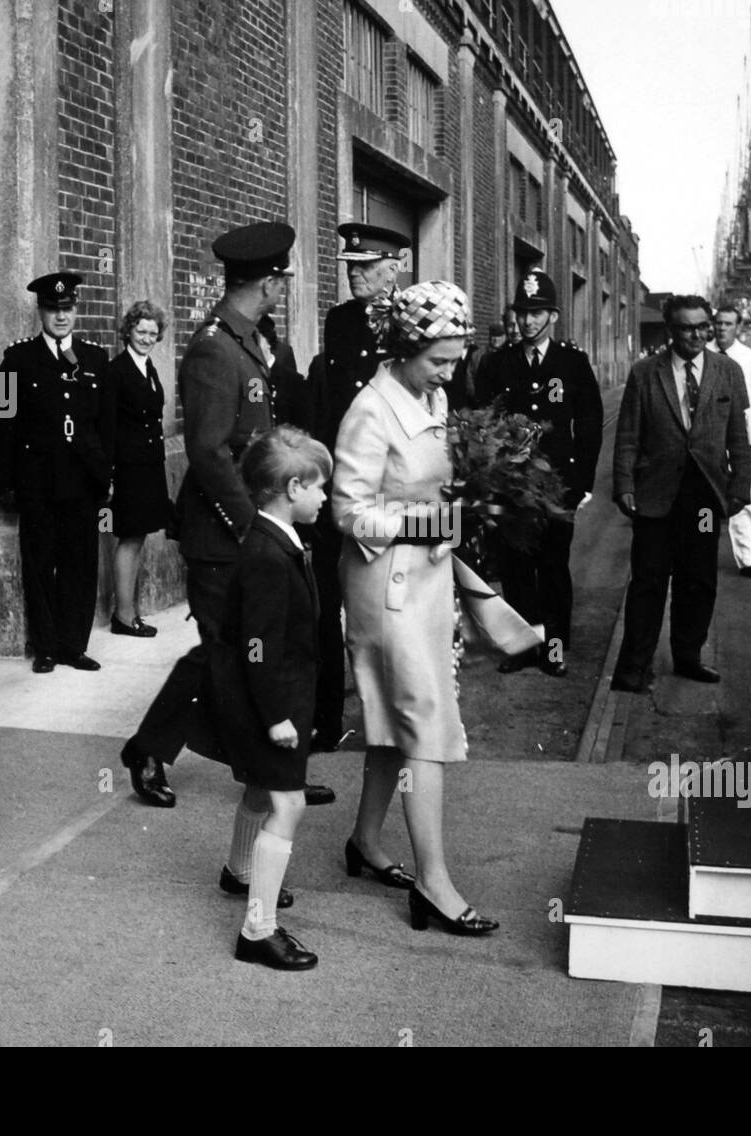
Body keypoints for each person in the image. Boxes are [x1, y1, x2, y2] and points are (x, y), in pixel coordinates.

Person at [119, 222, 334, 811]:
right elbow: (209, 450)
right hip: (223, 532)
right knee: (221, 651)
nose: (282, 291)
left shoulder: (258, 340)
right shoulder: (215, 346)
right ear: (266, 284)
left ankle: (273, 768)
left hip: (253, 522)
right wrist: (252, 524)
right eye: (280, 282)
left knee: (246, 649)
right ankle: (151, 749)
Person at [333, 279, 499, 937]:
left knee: (397, 725)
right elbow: (347, 512)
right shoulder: (370, 411)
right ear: (404, 348)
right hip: (387, 592)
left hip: (426, 584)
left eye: (456, 358)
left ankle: (365, 844)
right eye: (440, 358)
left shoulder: (430, 392)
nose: (451, 371)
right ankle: (433, 884)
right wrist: (427, 523)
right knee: (422, 726)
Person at [211, 425, 330, 971]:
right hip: (269, 701)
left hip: (263, 699)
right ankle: (258, 930)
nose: (325, 498)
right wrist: (277, 716)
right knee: (288, 803)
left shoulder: (275, 538)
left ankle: (239, 872)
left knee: (261, 791)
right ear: (292, 487)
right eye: (320, 488)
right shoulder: (267, 553)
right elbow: (258, 646)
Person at [610, 295, 751, 693]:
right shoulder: (645, 373)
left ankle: (688, 657)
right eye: (686, 328)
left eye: (703, 326)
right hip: (656, 496)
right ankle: (632, 669)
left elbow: (740, 436)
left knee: (698, 580)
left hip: (705, 496)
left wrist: (740, 486)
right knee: (648, 582)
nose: (696, 335)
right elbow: (627, 436)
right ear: (671, 331)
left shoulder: (729, 372)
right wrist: (624, 485)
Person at [309, 221, 409, 752]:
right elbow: (332, 405)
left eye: (366, 268)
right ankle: (326, 720)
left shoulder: (416, 317)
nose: (355, 277)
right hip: (341, 485)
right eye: (350, 268)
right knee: (326, 606)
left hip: (389, 487)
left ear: (394, 267)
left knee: (385, 606)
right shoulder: (340, 320)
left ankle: (391, 720)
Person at [476, 269, 603, 677]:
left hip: (555, 487)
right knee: (515, 567)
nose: (528, 322)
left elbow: (588, 423)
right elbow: (482, 422)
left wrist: (580, 483)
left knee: (553, 567)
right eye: (522, 313)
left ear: (554, 316)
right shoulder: (498, 363)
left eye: (537, 313)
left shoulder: (572, 361)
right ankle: (522, 646)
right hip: (511, 487)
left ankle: (553, 648)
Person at [0, 272, 114, 673]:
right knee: (40, 563)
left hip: (82, 481)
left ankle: (72, 646)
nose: (61, 317)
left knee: (80, 565)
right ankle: (44, 647)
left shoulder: (95, 359)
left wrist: (106, 474)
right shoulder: (18, 359)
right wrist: (5, 481)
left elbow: (106, 425)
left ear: (75, 311)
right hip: (37, 480)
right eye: (52, 309)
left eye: (67, 309)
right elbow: (3, 421)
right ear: (40, 312)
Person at [107, 300, 169, 638]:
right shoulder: (117, 371)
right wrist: (112, 474)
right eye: (140, 331)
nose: (146, 338)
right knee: (130, 538)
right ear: (128, 331)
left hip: (149, 466)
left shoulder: (150, 368)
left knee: (139, 536)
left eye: (152, 333)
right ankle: (124, 615)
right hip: (129, 468)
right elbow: (110, 425)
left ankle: (130, 610)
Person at [711, 305, 751, 581]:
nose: (722, 328)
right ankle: (696, 555)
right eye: (718, 323)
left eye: (728, 324)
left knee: (746, 497)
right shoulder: (702, 355)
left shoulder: (749, 360)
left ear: (738, 327)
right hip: (707, 437)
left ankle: (750, 559)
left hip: (738, 436)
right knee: (702, 498)